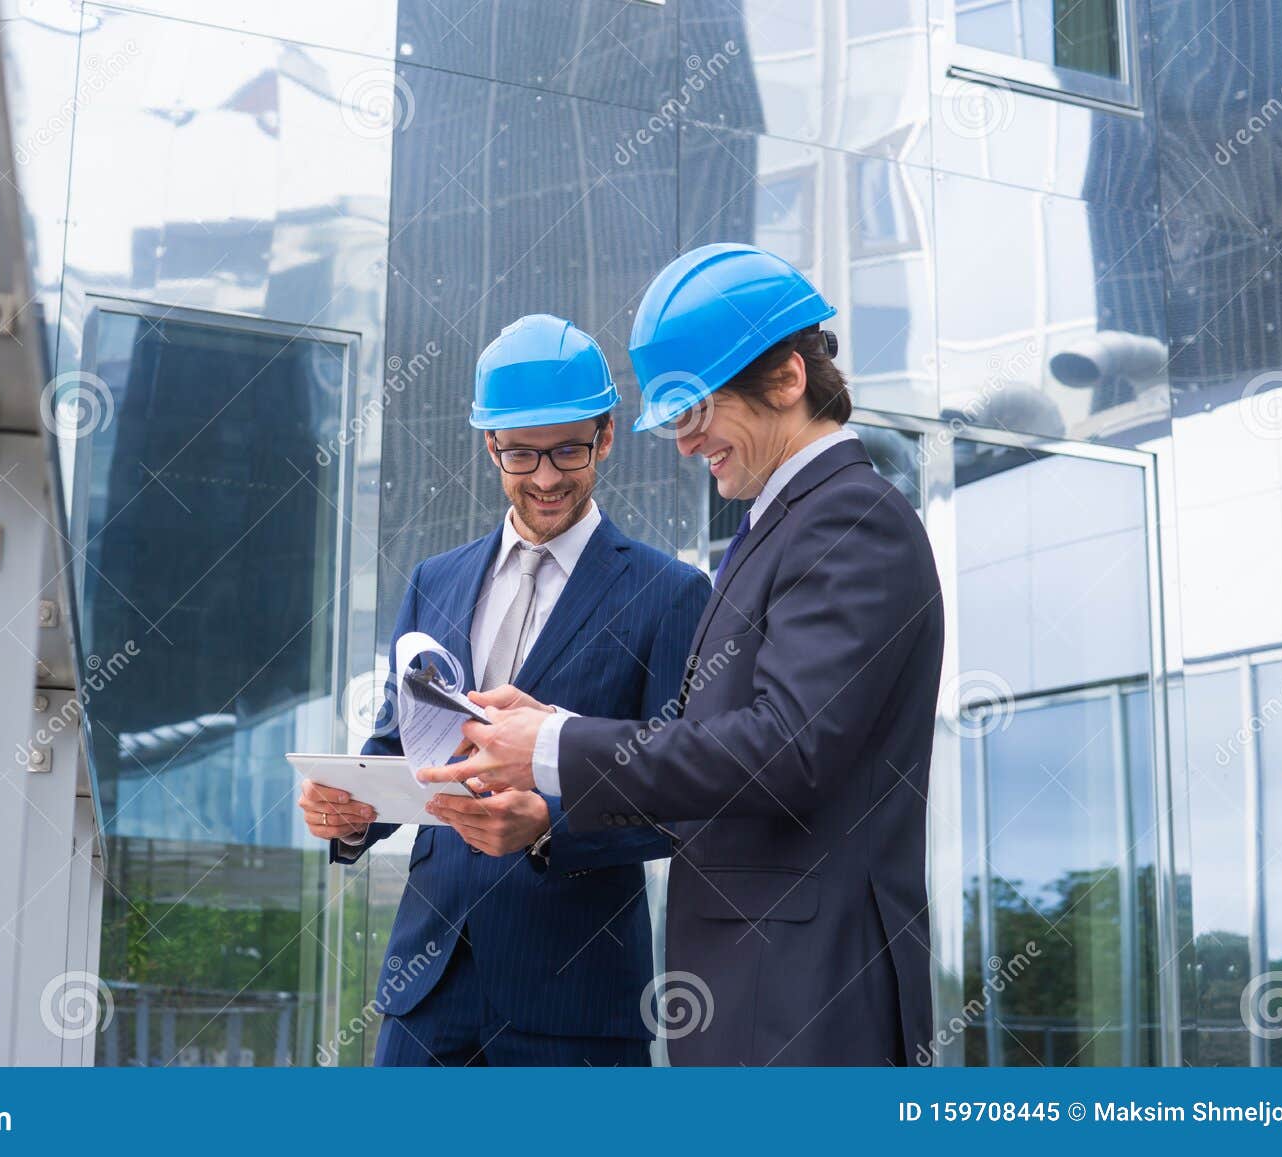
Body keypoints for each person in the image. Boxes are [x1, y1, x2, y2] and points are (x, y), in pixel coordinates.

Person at [421, 246, 946, 1066]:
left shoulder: (850, 520)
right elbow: (718, 750)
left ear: (786, 380)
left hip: (805, 998)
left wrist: (554, 743)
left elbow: (787, 747)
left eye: (696, 413)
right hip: (761, 992)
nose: (684, 444)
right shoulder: (778, 526)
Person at [298, 314, 709, 1066]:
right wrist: (353, 813)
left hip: (574, 995)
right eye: (522, 453)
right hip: (428, 981)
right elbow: (399, 746)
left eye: (569, 450)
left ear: (607, 438)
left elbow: (683, 795)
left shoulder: (671, 593)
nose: (547, 476)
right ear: (490, 445)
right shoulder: (436, 581)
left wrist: (549, 824)